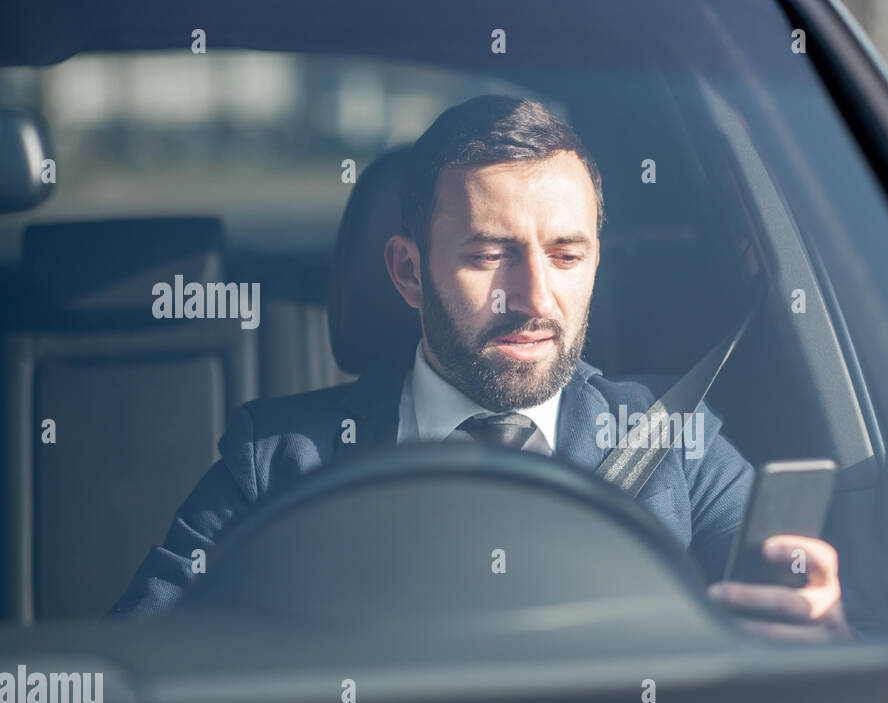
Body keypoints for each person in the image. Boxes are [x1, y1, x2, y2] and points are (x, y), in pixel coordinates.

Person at [110, 95, 848, 640]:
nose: (533, 298)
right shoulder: (273, 463)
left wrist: (818, 623)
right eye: (488, 256)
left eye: (566, 255)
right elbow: (134, 677)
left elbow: (789, 653)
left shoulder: (678, 442)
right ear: (407, 272)